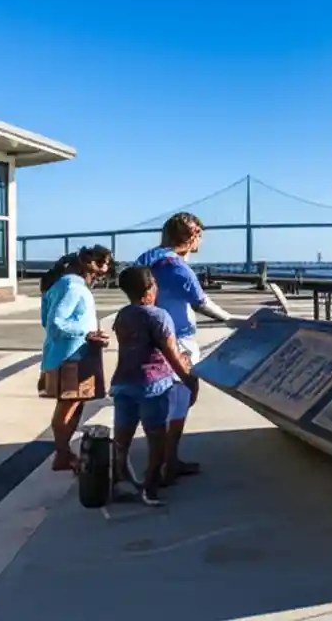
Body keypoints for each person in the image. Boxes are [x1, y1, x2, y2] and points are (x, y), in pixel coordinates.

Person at [134, 212, 238, 483]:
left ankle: (161, 460)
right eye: (199, 236)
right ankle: (167, 463)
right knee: (182, 399)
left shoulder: (146, 259)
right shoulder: (178, 267)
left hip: (147, 338)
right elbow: (202, 302)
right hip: (177, 341)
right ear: (192, 236)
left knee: (160, 401)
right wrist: (234, 320)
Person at [109, 266, 197, 506]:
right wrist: (190, 380)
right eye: (155, 284)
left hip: (122, 382)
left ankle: (120, 481)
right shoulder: (158, 315)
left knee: (122, 436)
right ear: (149, 288)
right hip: (153, 383)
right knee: (156, 436)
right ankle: (151, 486)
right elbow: (171, 355)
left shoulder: (123, 314)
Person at [39, 245, 112, 472]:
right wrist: (86, 334)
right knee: (68, 407)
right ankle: (62, 454)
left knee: (73, 405)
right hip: (71, 357)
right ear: (92, 265)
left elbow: (47, 321)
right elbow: (55, 323)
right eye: (104, 266)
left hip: (65, 355)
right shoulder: (73, 287)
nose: (104, 273)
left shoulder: (62, 285)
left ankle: (65, 454)